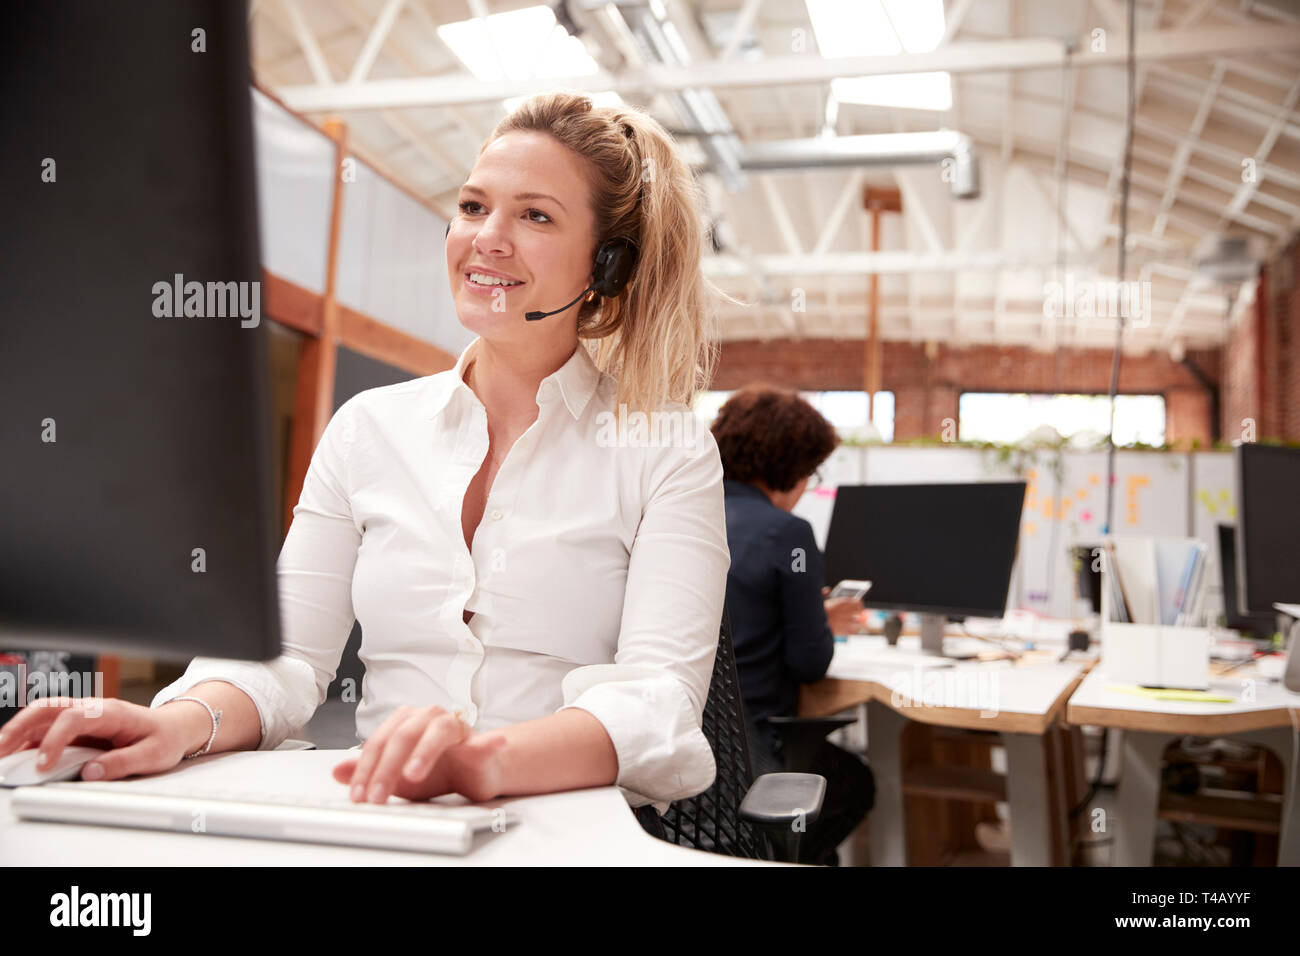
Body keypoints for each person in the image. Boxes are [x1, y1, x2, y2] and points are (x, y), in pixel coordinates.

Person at [0, 91, 737, 823]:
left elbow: (656, 701)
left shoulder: (665, 449)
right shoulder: (370, 429)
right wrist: (181, 722)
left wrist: (482, 761)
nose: (487, 238)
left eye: (535, 215)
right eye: (474, 207)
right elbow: (285, 658)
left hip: (569, 833)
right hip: (385, 820)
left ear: (606, 267)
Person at [711, 386, 875, 864]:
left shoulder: (685, 511)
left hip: (686, 755)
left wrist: (809, 613)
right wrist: (820, 622)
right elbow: (809, 663)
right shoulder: (787, 534)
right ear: (793, 468)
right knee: (854, 782)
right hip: (755, 752)